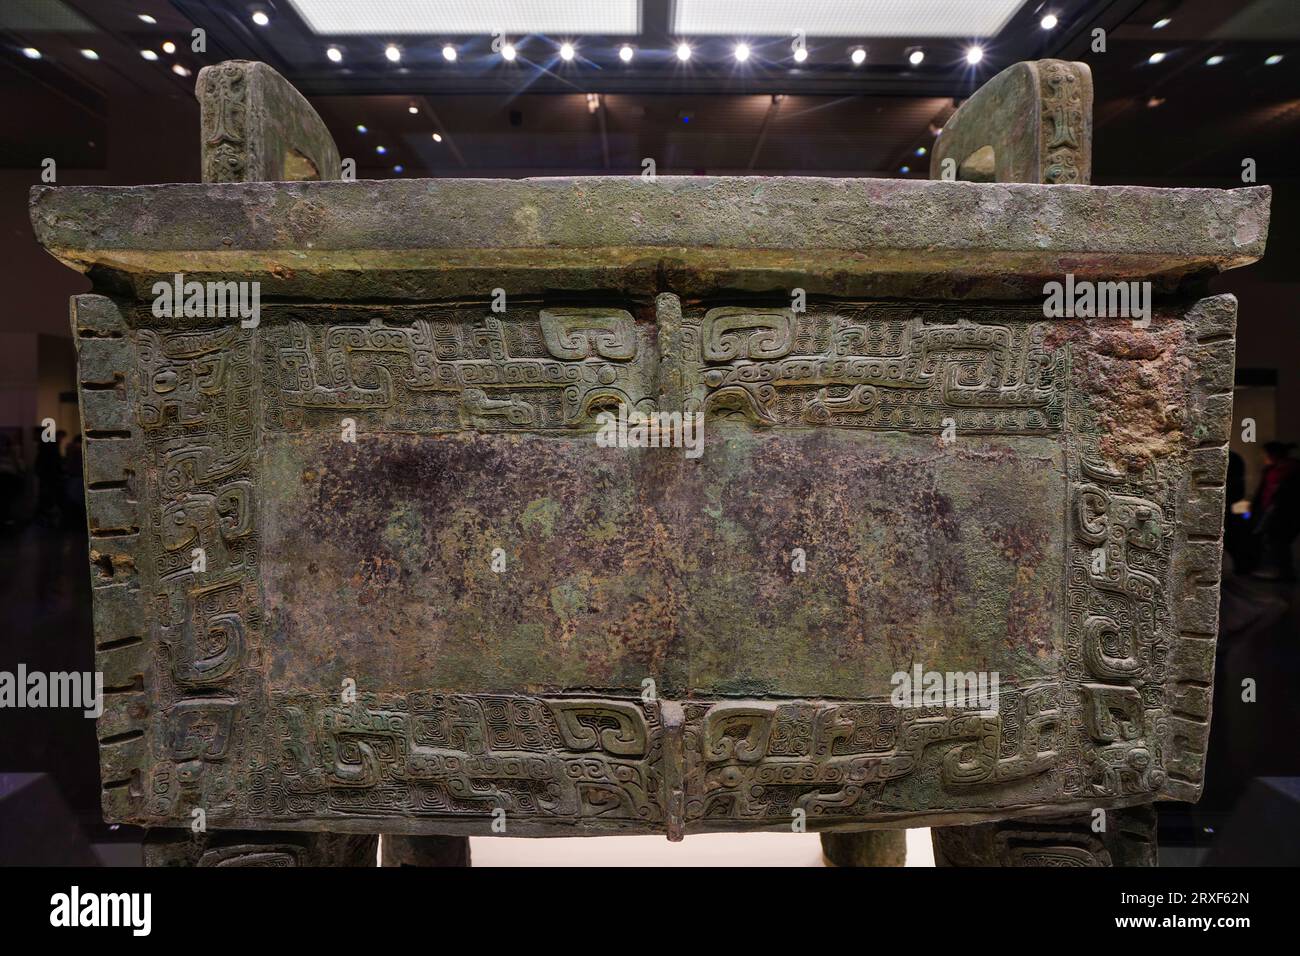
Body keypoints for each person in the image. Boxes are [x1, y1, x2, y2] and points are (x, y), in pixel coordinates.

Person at [1250, 441, 1300, 580]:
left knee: (1280, 542)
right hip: (1270, 511)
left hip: (1284, 513)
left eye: (1265, 454)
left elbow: (1288, 494)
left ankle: (1285, 572)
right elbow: (1263, 490)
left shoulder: (1292, 470)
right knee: (1273, 541)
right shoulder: (1270, 470)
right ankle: (1280, 570)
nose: (1263, 457)